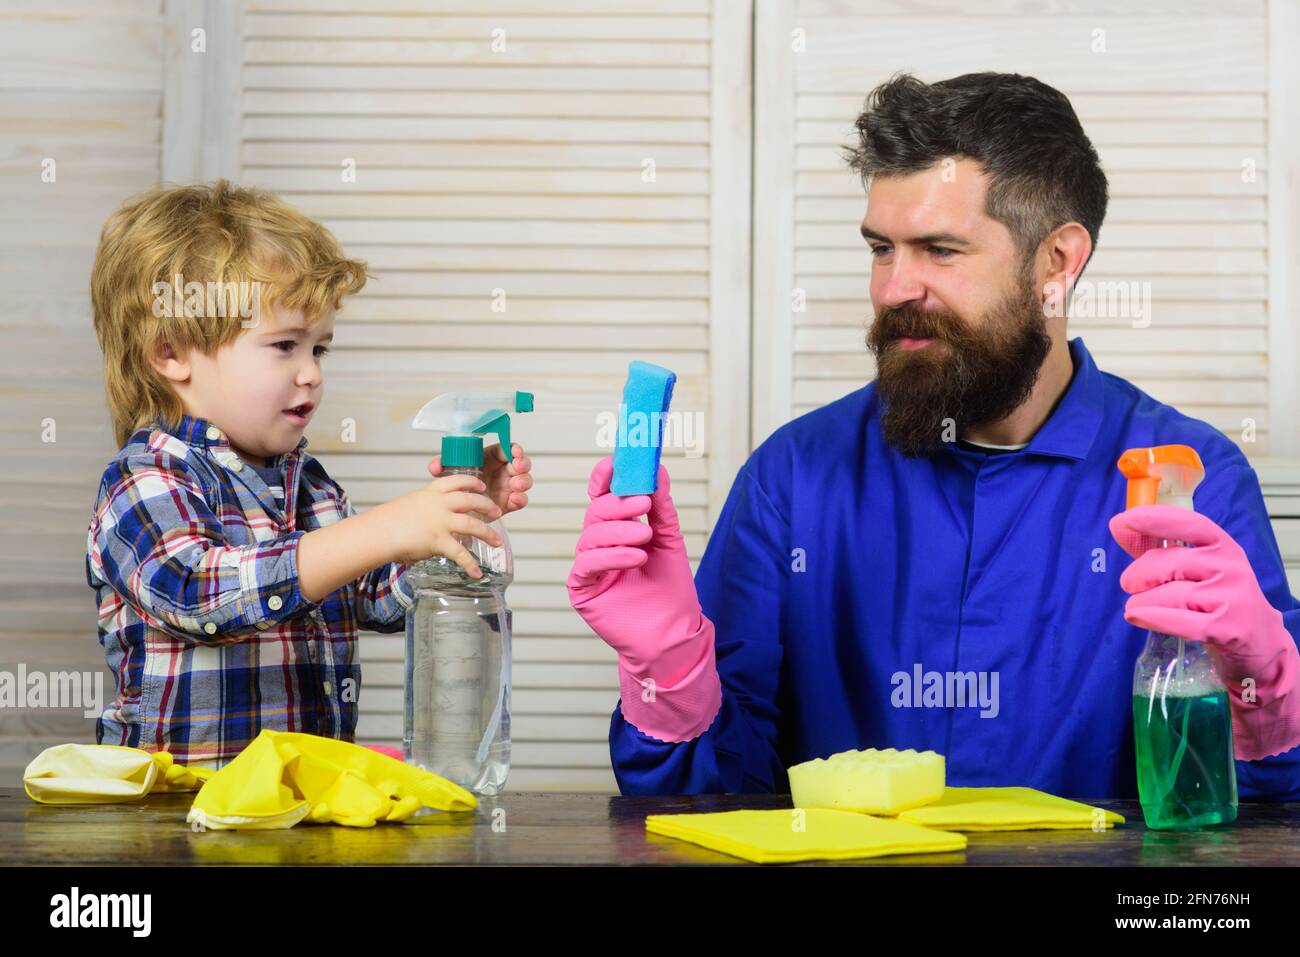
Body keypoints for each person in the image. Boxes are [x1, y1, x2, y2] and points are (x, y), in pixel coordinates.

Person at [568, 73, 1300, 800]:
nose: (894, 288)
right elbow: (714, 803)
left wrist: (1264, 691)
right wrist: (668, 673)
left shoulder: (1189, 480)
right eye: (881, 248)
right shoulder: (793, 477)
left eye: (939, 251)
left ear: (1057, 263)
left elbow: (1253, 820)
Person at [86, 180, 532, 767]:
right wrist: (380, 529)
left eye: (319, 350)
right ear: (172, 353)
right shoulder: (145, 478)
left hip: (299, 803)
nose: (311, 374)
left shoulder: (310, 483)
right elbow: (198, 596)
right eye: (285, 346)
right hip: (178, 814)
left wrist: (451, 524)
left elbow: (376, 601)